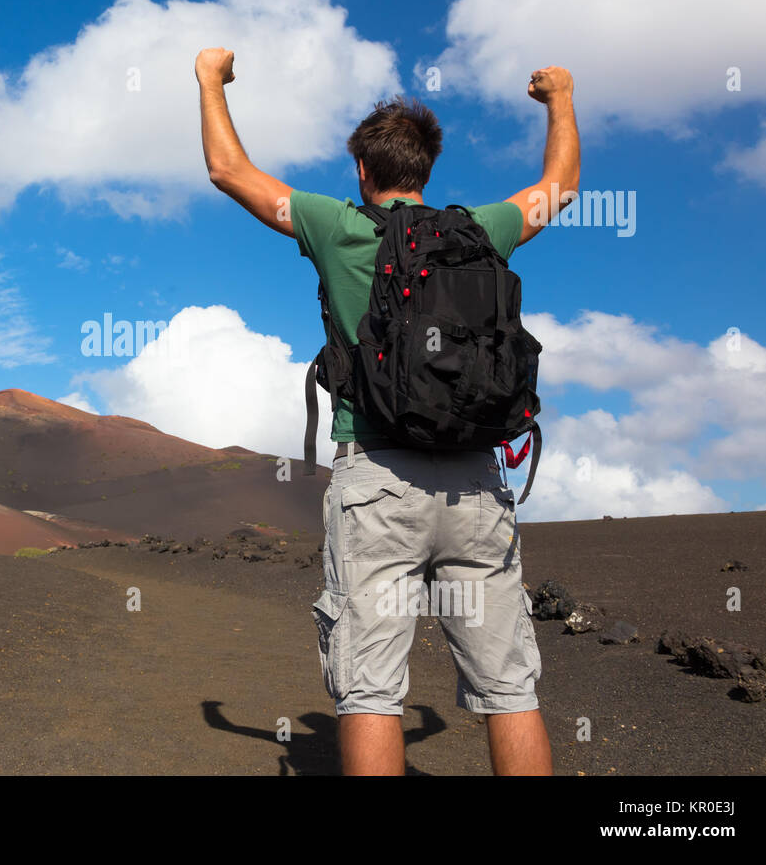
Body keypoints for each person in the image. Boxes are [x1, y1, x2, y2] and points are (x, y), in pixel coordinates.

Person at [195, 46, 579, 775]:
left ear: (363, 173)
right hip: (475, 485)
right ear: (424, 171)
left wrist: (210, 78)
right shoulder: (479, 232)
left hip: (376, 482)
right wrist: (560, 97)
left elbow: (228, 171)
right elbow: (559, 186)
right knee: (508, 687)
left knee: (370, 690)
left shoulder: (335, 227)